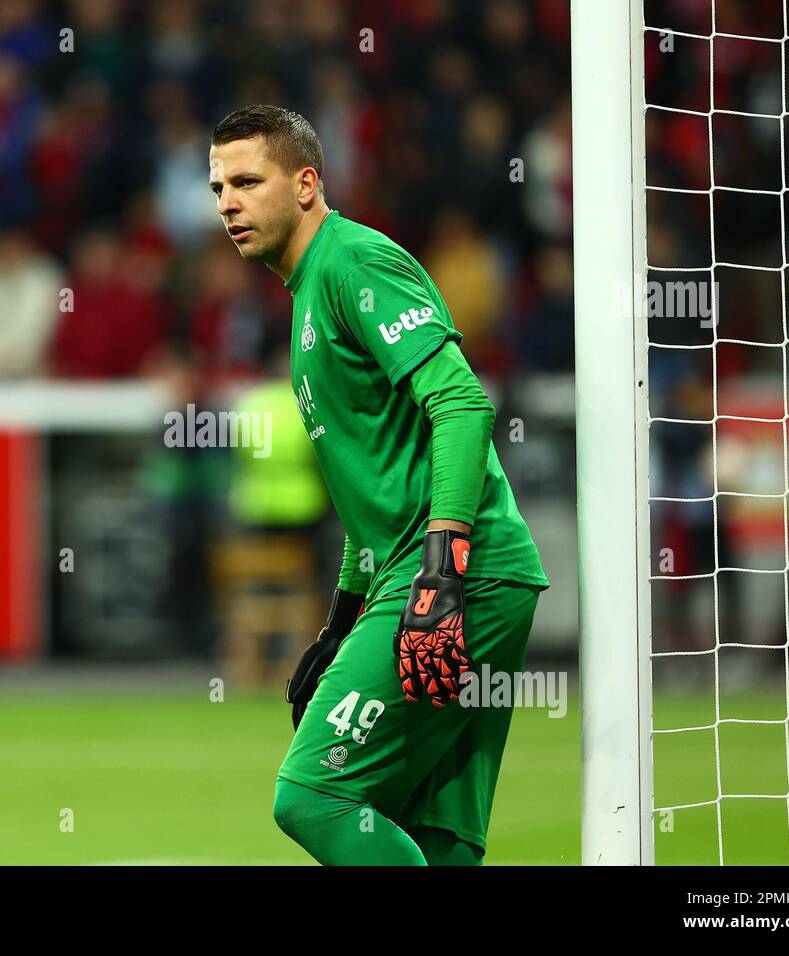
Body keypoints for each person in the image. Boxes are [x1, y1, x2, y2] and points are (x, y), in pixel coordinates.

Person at [209, 105, 549, 865]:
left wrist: (442, 567)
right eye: (219, 186)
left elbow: (462, 404)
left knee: (314, 795)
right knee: (436, 837)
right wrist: (341, 623)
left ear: (305, 184)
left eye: (247, 181)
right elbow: (373, 507)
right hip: (453, 572)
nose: (228, 201)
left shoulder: (353, 264)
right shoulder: (306, 296)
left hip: (460, 571)